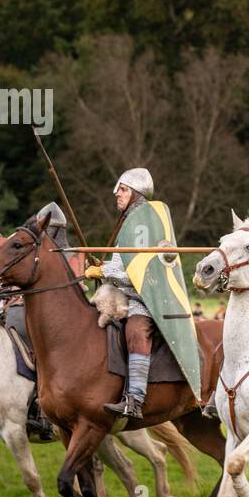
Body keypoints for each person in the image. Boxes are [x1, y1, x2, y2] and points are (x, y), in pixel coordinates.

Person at [85, 168, 162, 421]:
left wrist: (103, 270)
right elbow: (121, 267)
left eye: (123, 189)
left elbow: (135, 272)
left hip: (143, 298)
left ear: (137, 194)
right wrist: (103, 270)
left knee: (135, 331)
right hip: (121, 297)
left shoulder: (144, 225)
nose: (116, 193)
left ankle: (135, 400)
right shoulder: (130, 222)